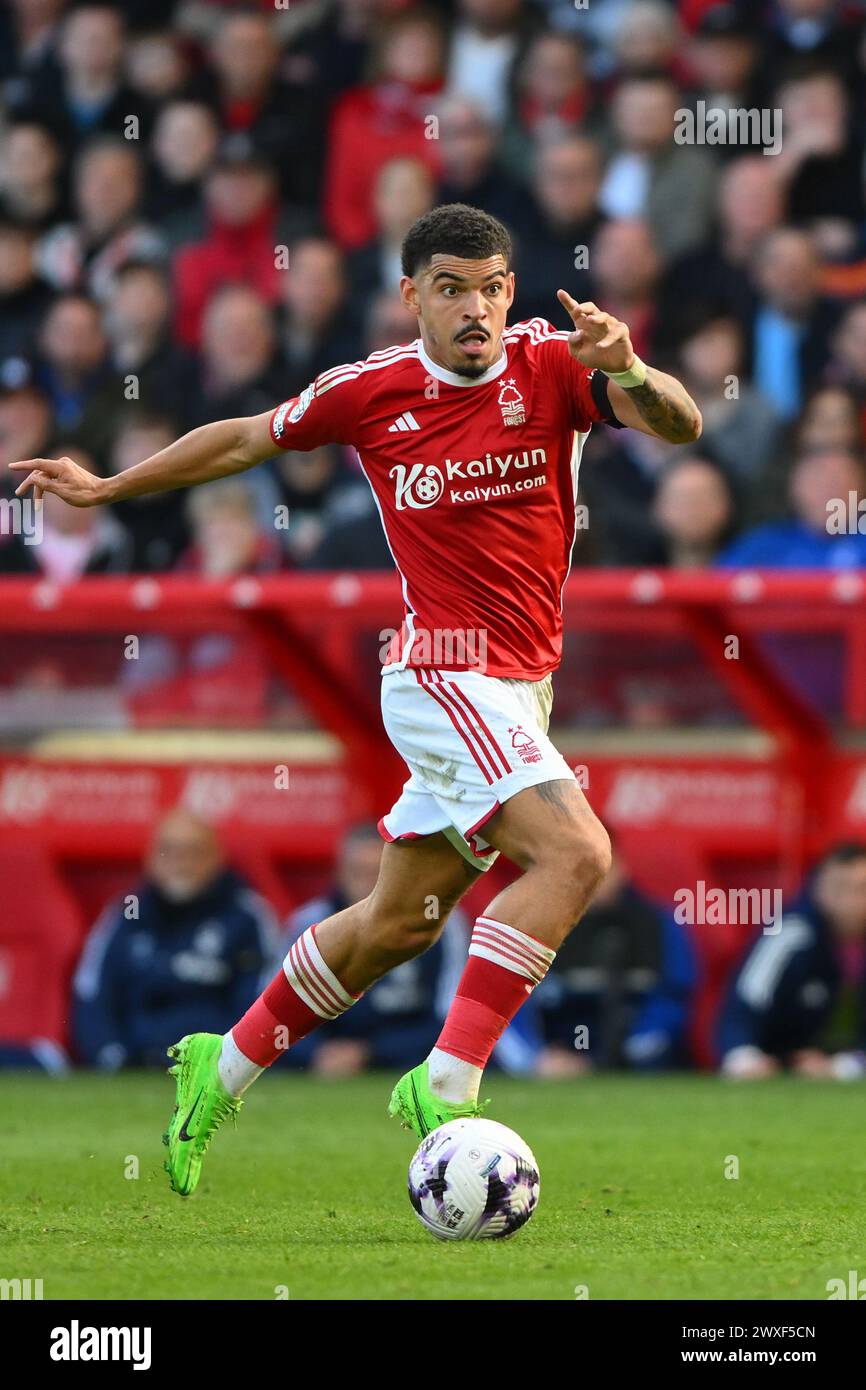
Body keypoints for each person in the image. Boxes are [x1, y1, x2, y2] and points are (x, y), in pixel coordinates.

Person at [8, 202, 702, 1197]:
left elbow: (681, 424)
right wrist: (111, 487)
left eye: (493, 286)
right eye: (453, 288)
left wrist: (628, 365)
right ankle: (447, 1082)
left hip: (518, 689)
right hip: (439, 672)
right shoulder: (369, 391)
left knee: (398, 921)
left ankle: (223, 1063)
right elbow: (245, 437)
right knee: (578, 851)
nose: (478, 308)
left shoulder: (554, 365)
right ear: (411, 294)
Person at [72, 809, 279, 1069]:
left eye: (194, 852)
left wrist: (231, 1064)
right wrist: (112, 1057)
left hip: (215, 1069)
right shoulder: (126, 914)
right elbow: (93, 996)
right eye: (167, 851)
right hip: (135, 1065)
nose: (181, 863)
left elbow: (263, 1001)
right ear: (149, 858)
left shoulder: (247, 918)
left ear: (217, 857)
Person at [718, 843, 866, 1080]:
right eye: (839, 888)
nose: (849, 900)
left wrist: (845, 1066)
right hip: (785, 1065)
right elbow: (745, 1002)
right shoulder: (789, 933)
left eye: (860, 889)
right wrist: (743, 1055)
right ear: (819, 888)